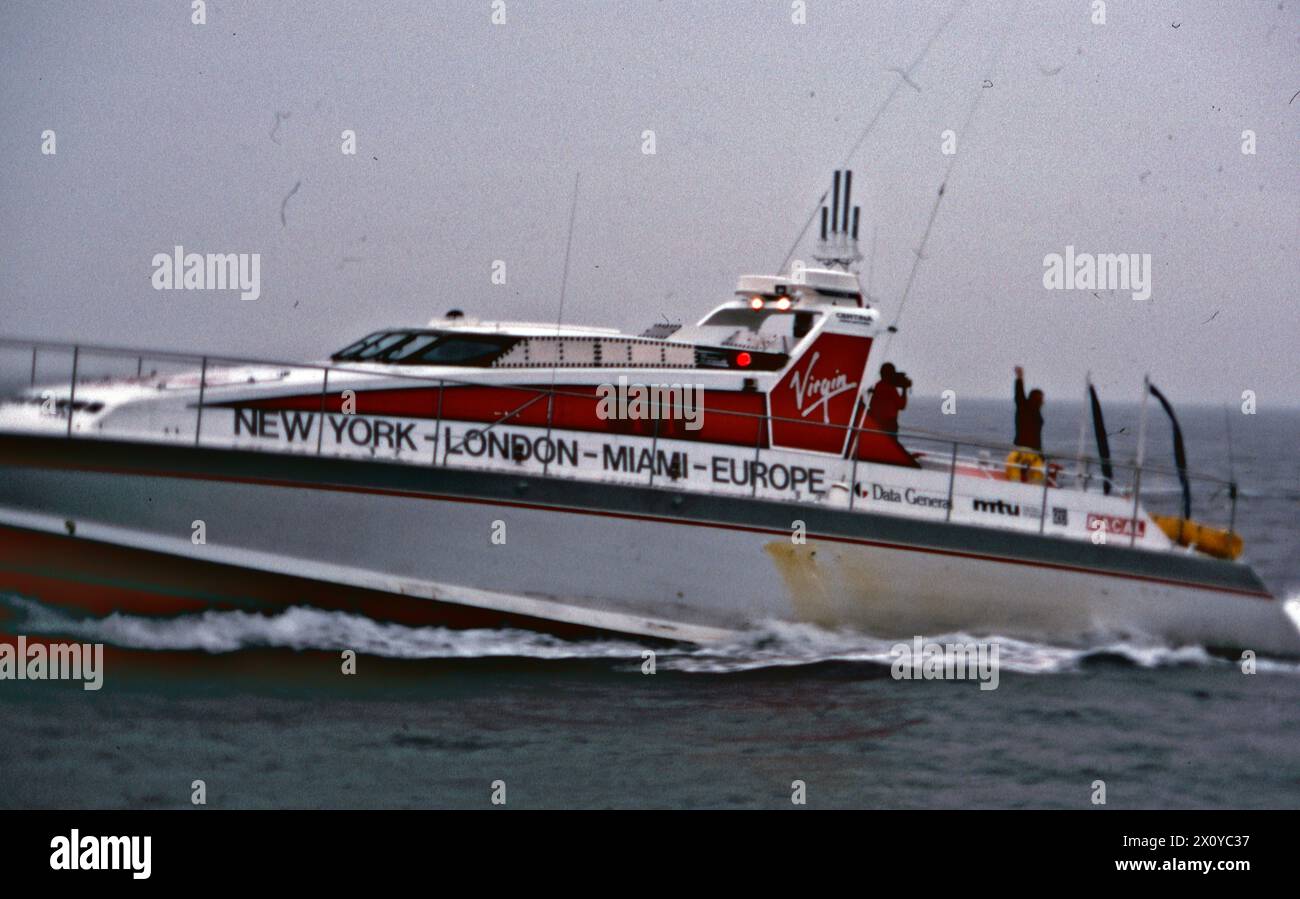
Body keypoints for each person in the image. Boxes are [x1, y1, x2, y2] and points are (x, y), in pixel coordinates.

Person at [1006, 365, 1045, 482]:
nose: (1043, 401)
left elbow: (1037, 437)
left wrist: (1041, 455)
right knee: (1015, 470)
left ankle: (1032, 495)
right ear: (1036, 399)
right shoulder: (1024, 407)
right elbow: (1019, 394)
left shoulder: (1038, 414)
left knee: (1038, 475)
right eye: (1041, 398)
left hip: (1034, 451)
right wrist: (1019, 378)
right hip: (1021, 449)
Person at [867, 363, 909, 434]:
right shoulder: (890, 388)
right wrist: (904, 389)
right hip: (889, 424)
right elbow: (902, 406)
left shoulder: (878, 386)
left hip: (876, 422)